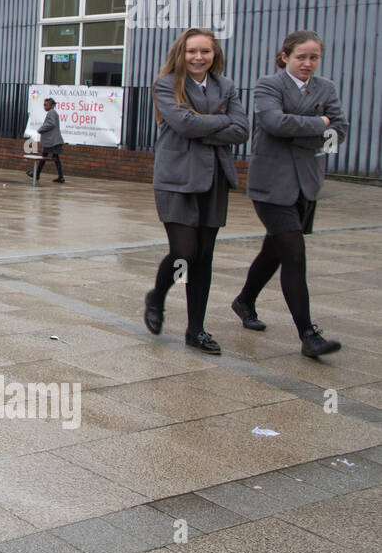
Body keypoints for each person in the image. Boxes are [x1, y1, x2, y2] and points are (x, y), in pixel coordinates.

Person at [232, 30, 349, 358]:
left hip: (307, 184)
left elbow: (338, 132)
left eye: (314, 58)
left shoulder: (326, 88)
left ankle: (244, 301)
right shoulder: (268, 85)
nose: (308, 64)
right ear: (285, 56)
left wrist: (307, 130)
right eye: (301, 57)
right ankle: (309, 335)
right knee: (294, 253)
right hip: (271, 185)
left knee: (275, 251)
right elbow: (274, 123)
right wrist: (317, 123)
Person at [143, 27, 249, 355]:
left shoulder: (226, 86)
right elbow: (184, 124)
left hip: (214, 180)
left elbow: (242, 129)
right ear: (181, 53)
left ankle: (196, 329)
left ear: (214, 54)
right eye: (192, 51)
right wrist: (219, 120)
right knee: (184, 252)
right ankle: (157, 296)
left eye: (205, 51)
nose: (198, 57)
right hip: (176, 180)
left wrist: (201, 122)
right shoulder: (166, 84)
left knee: (204, 257)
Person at [29, 97, 66, 183]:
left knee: (47, 157)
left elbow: (51, 124)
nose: (44, 106)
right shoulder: (52, 112)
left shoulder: (51, 112)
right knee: (51, 157)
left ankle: (37, 174)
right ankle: (39, 174)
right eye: (44, 105)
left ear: (52, 105)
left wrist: (40, 130)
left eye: (46, 105)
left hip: (52, 141)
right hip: (53, 141)